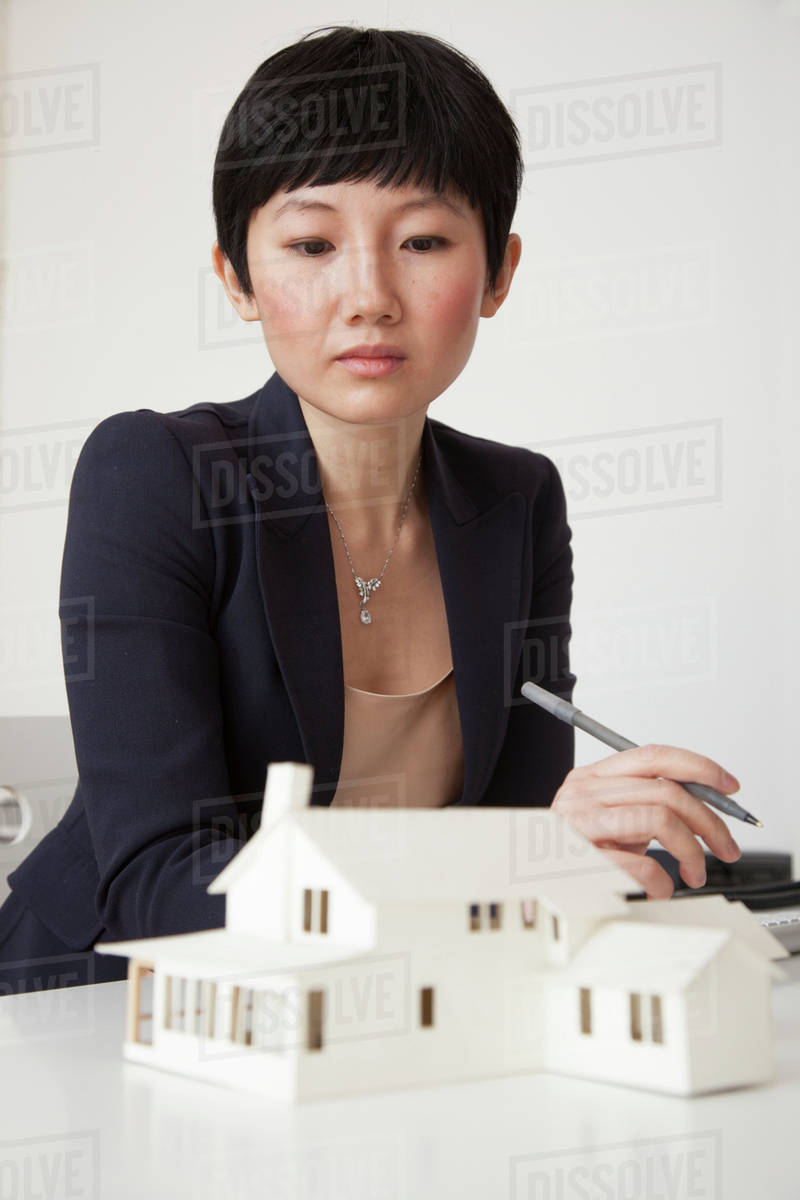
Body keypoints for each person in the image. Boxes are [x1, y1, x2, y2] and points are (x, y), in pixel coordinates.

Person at [0, 25, 741, 995]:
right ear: (235, 277)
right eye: (310, 244)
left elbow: (514, 851)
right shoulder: (155, 473)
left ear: (498, 272)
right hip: (104, 1017)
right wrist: (514, 867)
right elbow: (156, 890)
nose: (368, 296)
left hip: (376, 1015)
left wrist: (578, 854)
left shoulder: (515, 500)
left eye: (423, 241)